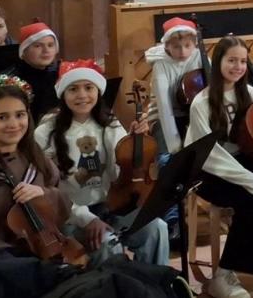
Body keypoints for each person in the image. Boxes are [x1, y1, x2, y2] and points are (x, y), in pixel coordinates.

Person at [35, 61, 169, 266]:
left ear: (98, 91)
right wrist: (88, 220)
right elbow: (50, 190)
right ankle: (115, 292)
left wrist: (134, 142)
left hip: (112, 205)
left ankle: (155, 285)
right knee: (107, 243)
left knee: (157, 228)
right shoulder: (46, 131)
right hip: (72, 214)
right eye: (73, 89)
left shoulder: (110, 123)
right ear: (62, 94)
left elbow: (122, 171)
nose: (82, 95)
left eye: (88, 88)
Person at [185, 36, 253, 298]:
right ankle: (222, 276)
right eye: (231, 60)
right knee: (250, 200)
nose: (238, 66)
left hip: (239, 162)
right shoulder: (201, 103)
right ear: (218, 62)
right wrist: (252, 181)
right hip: (208, 171)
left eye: (243, 61)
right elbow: (213, 156)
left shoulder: (252, 95)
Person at [0, 76, 73, 257]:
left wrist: (45, 193)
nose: (13, 124)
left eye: (20, 115)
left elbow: (65, 199)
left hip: (48, 248)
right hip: (1, 264)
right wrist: (12, 260)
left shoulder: (37, 158)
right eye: (2, 117)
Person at [142, 16, 203, 155]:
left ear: (194, 44)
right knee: (166, 154)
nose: (182, 52)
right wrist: (174, 146)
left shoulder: (199, 57)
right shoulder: (161, 64)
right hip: (163, 116)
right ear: (167, 46)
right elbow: (164, 106)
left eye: (187, 46)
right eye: (176, 46)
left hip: (192, 112)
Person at [13, 21, 61, 123]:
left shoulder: (61, 72)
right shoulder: (14, 79)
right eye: (38, 46)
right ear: (24, 51)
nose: (46, 50)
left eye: (50, 45)